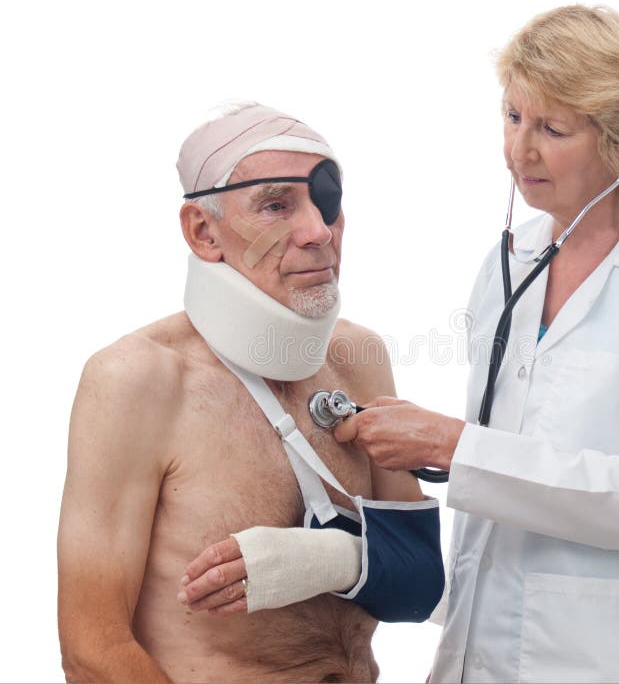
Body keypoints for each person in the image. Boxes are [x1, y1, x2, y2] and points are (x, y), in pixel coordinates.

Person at [331, 5, 619, 683]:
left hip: (607, 655)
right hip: (479, 638)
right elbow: (516, 446)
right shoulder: (513, 261)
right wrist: (426, 447)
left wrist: (449, 443)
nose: (519, 150)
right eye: (512, 116)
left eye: (552, 128)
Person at [57, 103, 442, 683]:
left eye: (325, 200)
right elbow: (92, 649)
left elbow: (418, 587)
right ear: (203, 232)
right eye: (276, 205)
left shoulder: (357, 360)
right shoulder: (137, 381)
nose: (318, 232)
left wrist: (333, 560)